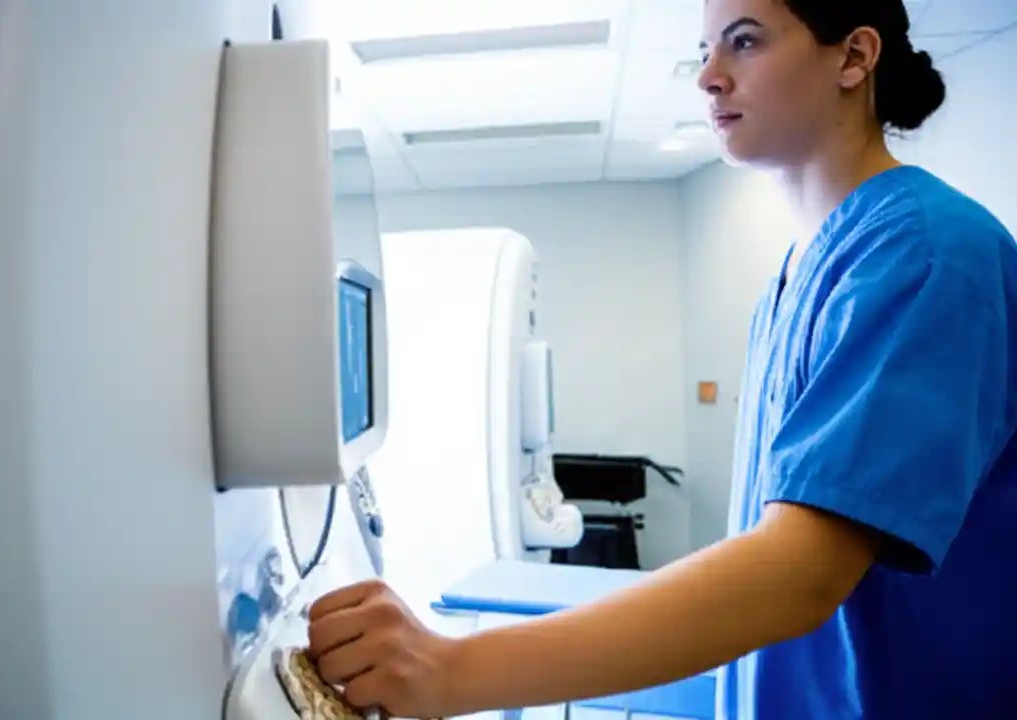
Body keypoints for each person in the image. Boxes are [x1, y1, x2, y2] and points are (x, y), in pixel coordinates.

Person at [305, 0, 1017, 717]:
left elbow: (798, 575)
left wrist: (452, 671)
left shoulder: (926, 254)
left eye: (744, 42)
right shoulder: (799, 276)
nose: (709, 76)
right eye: (706, 50)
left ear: (855, 57)